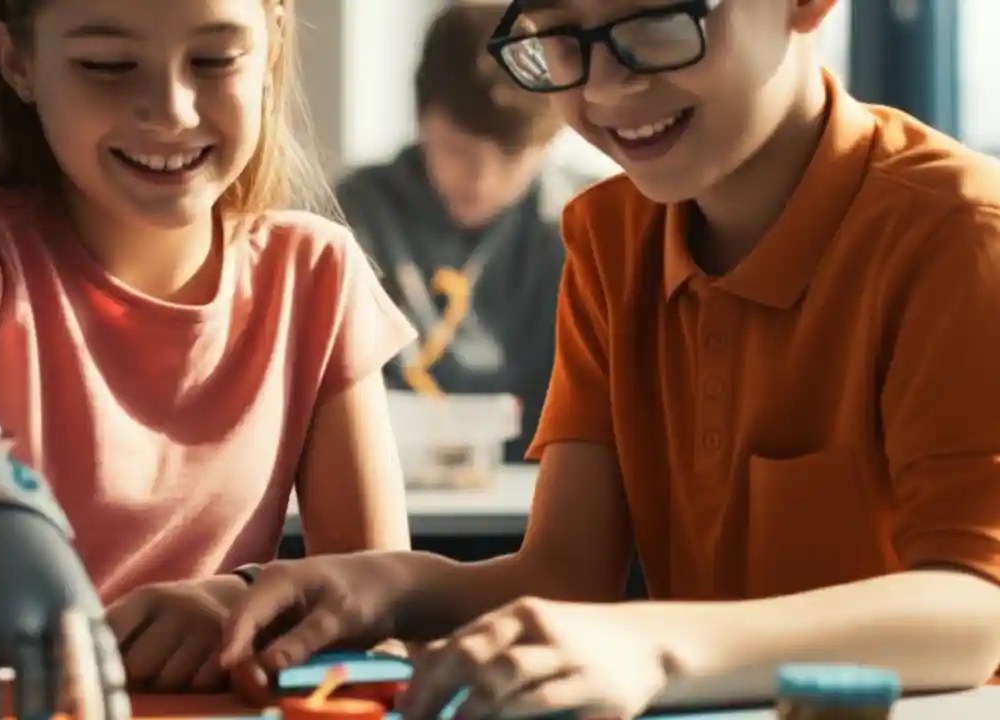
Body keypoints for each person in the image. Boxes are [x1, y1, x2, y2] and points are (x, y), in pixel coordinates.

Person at [218, 1, 1000, 718]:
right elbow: (566, 575)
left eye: (658, 20)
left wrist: (650, 644)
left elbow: (976, 613)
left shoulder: (957, 232)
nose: (607, 87)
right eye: (561, 36)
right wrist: (377, 585)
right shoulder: (609, 239)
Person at [0, 0, 415, 717]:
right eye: (106, 64)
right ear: (17, 61)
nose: (170, 110)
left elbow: (375, 613)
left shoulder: (314, 276)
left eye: (214, 59)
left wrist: (243, 599)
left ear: (273, 43)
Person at [335, 2, 595, 460]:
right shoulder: (356, 214)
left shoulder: (583, 224)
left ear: (548, 143)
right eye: (457, 149)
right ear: (420, 121)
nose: (481, 178)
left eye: (509, 157)